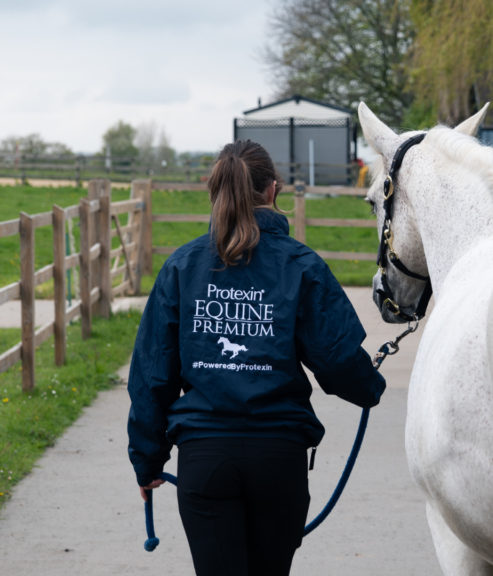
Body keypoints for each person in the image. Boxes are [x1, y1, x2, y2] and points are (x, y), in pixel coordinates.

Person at [127, 139, 386, 576]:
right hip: (278, 460)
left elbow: (153, 373)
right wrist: (370, 386)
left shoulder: (182, 267)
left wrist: (147, 459)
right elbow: (337, 360)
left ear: (215, 191)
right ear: (273, 190)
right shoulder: (301, 265)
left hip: (205, 461)